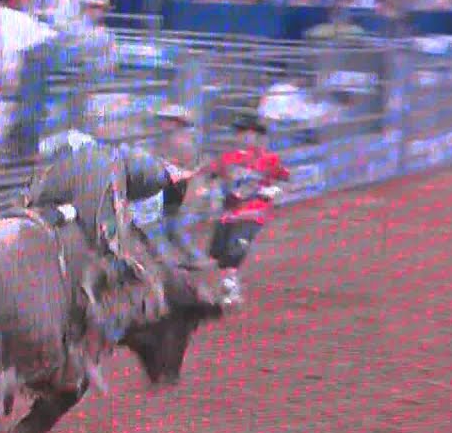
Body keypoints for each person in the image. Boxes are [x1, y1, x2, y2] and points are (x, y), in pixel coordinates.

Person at [25, 113, 225, 346]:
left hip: (142, 207)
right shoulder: (90, 158)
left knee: (146, 258)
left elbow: (110, 218)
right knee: (148, 256)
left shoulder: (93, 163)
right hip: (137, 203)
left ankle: (189, 296)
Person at [199, 114, 291, 306]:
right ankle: (228, 283)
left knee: (236, 248)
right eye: (239, 133)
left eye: (246, 133)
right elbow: (210, 175)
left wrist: (273, 191)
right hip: (229, 213)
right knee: (218, 253)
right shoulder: (228, 158)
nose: (241, 137)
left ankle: (230, 290)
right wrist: (210, 192)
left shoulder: (269, 159)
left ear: (257, 136)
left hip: (253, 212)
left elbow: (285, 180)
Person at [128, 103, 209, 269]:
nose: (163, 124)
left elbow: (187, 166)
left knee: (163, 224)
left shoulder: (181, 142)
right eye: (163, 120)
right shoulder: (167, 140)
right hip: (167, 185)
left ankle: (172, 259)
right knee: (167, 225)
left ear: (176, 123)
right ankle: (185, 257)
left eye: (167, 120)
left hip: (175, 186)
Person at [0, 0, 57, 95]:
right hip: (46, 47)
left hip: (46, 50)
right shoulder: (5, 16)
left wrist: (6, 86)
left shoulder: (1, 18)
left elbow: (8, 50)